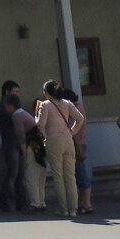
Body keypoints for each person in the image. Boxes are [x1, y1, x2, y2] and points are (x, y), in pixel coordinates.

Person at [35, 80, 84, 217]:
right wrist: (72, 132)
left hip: (53, 140)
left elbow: (41, 124)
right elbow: (80, 119)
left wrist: (37, 115)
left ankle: (64, 209)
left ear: (47, 92)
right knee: (70, 176)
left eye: (44, 91)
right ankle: (73, 209)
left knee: (58, 176)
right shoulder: (67, 103)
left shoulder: (46, 105)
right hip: (68, 139)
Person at [60, 88, 93, 215]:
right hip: (78, 142)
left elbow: (75, 126)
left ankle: (87, 203)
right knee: (76, 173)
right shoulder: (78, 106)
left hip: (77, 143)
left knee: (80, 172)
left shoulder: (75, 108)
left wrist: (69, 133)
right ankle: (82, 203)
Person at [0, 92, 27, 211]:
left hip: (17, 143)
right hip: (11, 143)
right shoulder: (4, 109)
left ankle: (20, 202)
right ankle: (4, 200)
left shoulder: (13, 109)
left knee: (20, 174)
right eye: (15, 91)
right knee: (12, 173)